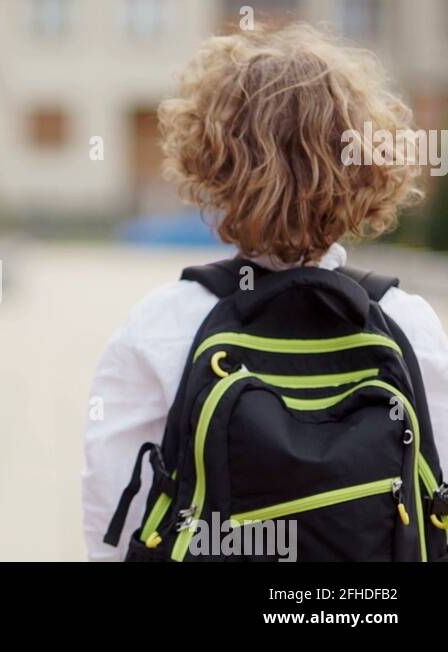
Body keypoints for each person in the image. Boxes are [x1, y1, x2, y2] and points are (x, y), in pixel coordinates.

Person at [82, 24, 448, 562]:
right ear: (366, 168)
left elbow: (111, 516)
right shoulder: (408, 325)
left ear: (213, 166)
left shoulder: (161, 326)